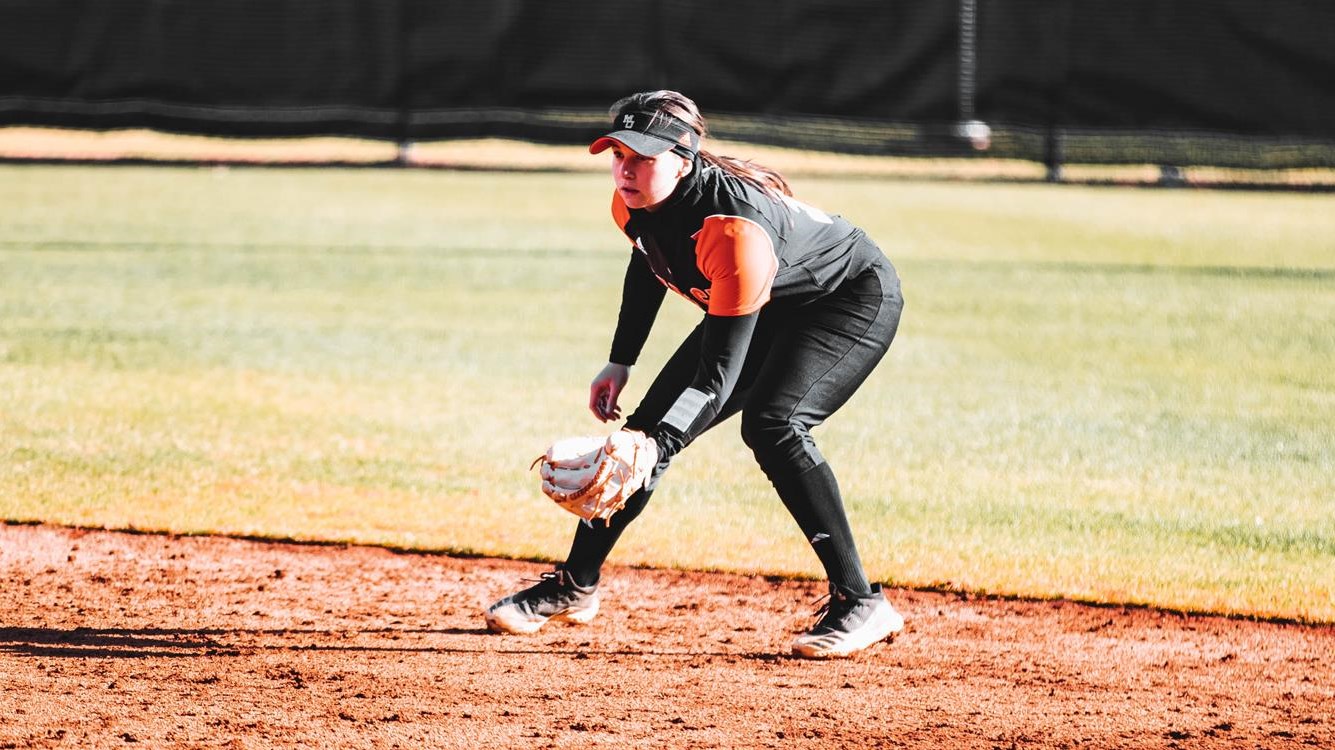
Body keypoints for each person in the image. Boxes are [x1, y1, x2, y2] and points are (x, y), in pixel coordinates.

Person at [485, 90, 906, 658]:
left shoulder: (733, 232)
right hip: (765, 298)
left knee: (771, 424)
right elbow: (647, 258)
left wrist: (657, 443)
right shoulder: (631, 202)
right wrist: (621, 359)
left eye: (643, 158)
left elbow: (716, 378)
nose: (626, 170)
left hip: (847, 300)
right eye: (618, 154)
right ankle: (575, 586)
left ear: (684, 160)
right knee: (644, 435)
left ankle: (861, 603)